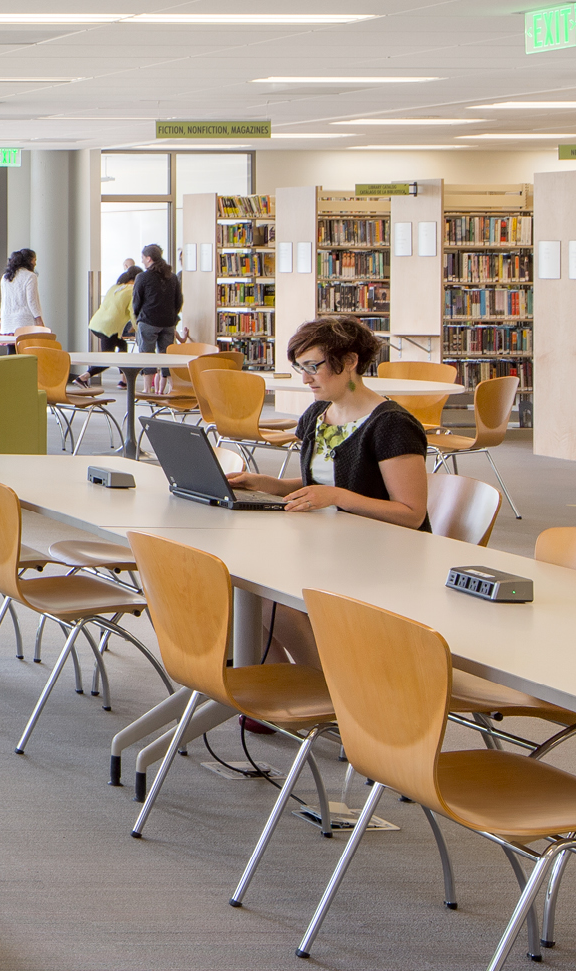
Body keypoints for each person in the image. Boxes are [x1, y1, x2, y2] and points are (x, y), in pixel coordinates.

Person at [232, 317, 431, 665]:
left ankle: (323, 682)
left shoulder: (391, 425)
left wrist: (339, 498)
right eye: (301, 368)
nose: (306, 378)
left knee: (265, 594)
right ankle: (277, 692)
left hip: (379, 555)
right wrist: (272, 486)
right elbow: (322, 486)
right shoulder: (317, 414)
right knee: (239, 585)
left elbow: (411, 514)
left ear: (350, 362)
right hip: (326, 542)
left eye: (313, 367)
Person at [131, 244, 183, 355]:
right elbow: (179, 300)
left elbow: (136, 301)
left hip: (148, 321)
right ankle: (165, 373)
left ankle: (149, 373)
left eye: (143, 258)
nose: (142, 261)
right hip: (168, 322)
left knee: (147, 357)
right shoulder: (172, 277)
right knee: (166, 358)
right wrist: (172, 314)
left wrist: (138, 316)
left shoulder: (142, 277)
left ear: (149, 258)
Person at [0, 247, 42, 339]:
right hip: (24, 322)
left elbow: (4, 302)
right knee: (25, 351)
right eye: (34, 260)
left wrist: (1, 321)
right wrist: (39, 319)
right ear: (29, 261)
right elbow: (32, 301)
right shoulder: (30, 276)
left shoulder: (5, 277)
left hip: (7, 322)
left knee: (11, 351)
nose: (35, 263)